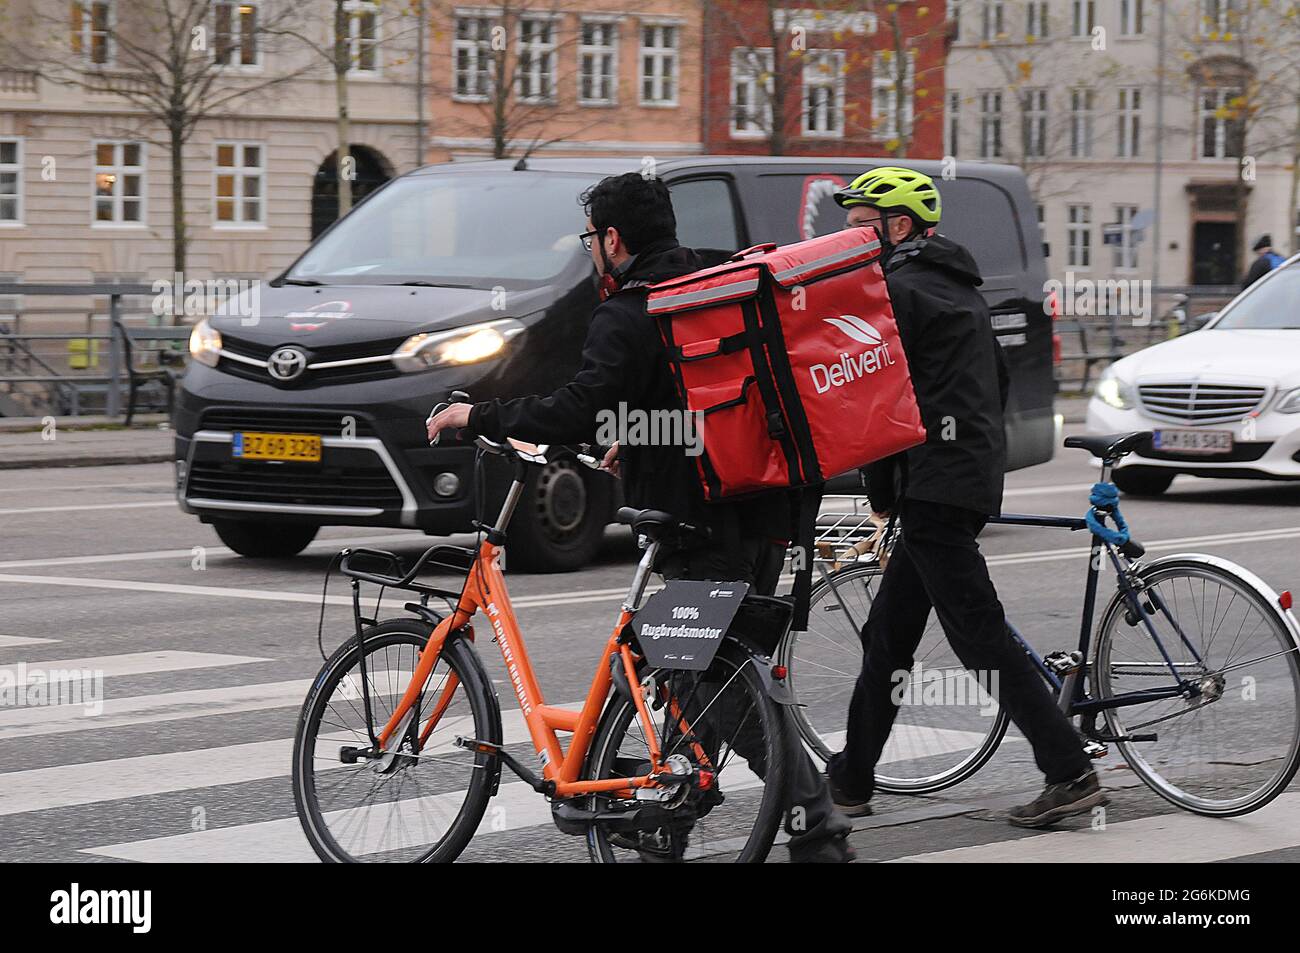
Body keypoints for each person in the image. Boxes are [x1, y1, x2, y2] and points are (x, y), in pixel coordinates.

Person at [427, 171, 854, 862]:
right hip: (767, 506)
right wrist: (646, 429)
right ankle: (670, 826)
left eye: (591, 237)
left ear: (614, 238)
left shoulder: (629, 311)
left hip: (697, 522)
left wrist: (478, 413)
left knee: (711, 681)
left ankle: (814, 821)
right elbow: (701, 394)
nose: (591, 248)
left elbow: (577, 404)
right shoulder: (712, 284)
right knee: (696, 676)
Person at [824, 166, 1106, 829]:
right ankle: (851, 779)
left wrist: (882, 485)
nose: (848, 237)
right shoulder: (957, 290)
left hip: (936, 486)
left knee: (978, 635)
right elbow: (993, 386)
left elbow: (880, 397)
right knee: (889, 636)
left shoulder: (898, 293)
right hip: (955, 479)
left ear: (898, 228)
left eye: (861, 225)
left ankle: (1069, 770)